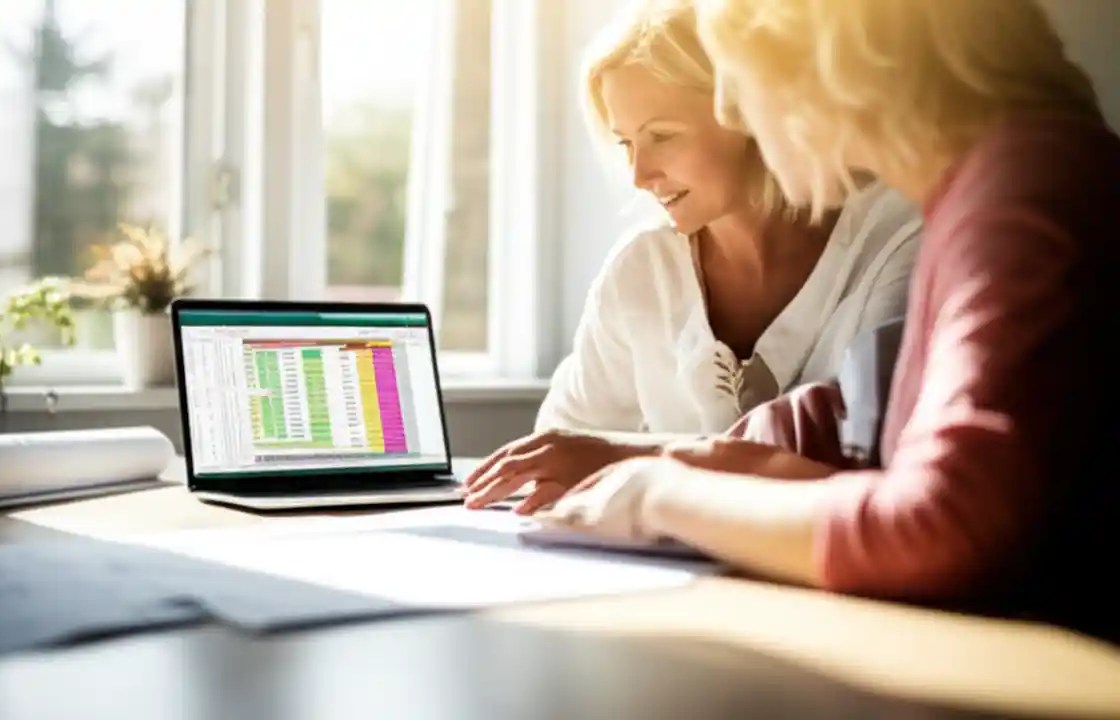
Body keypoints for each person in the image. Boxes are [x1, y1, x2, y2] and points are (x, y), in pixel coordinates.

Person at [534, 0, 1120, 636]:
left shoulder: (1022, 195)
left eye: (742, 76)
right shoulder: (996, 182)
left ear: (842, 62)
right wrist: (687, 455)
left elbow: (947, 522)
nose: (735, 113)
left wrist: (659, 497)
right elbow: (870, 416)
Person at [463, 0, 921, 513]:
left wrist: (622, 458)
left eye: (662, 136)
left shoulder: (896, 237)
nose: (639, 175)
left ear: (747, 111)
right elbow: (560, 448)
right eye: (626, 143)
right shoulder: (642, 270)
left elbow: (869, 454)